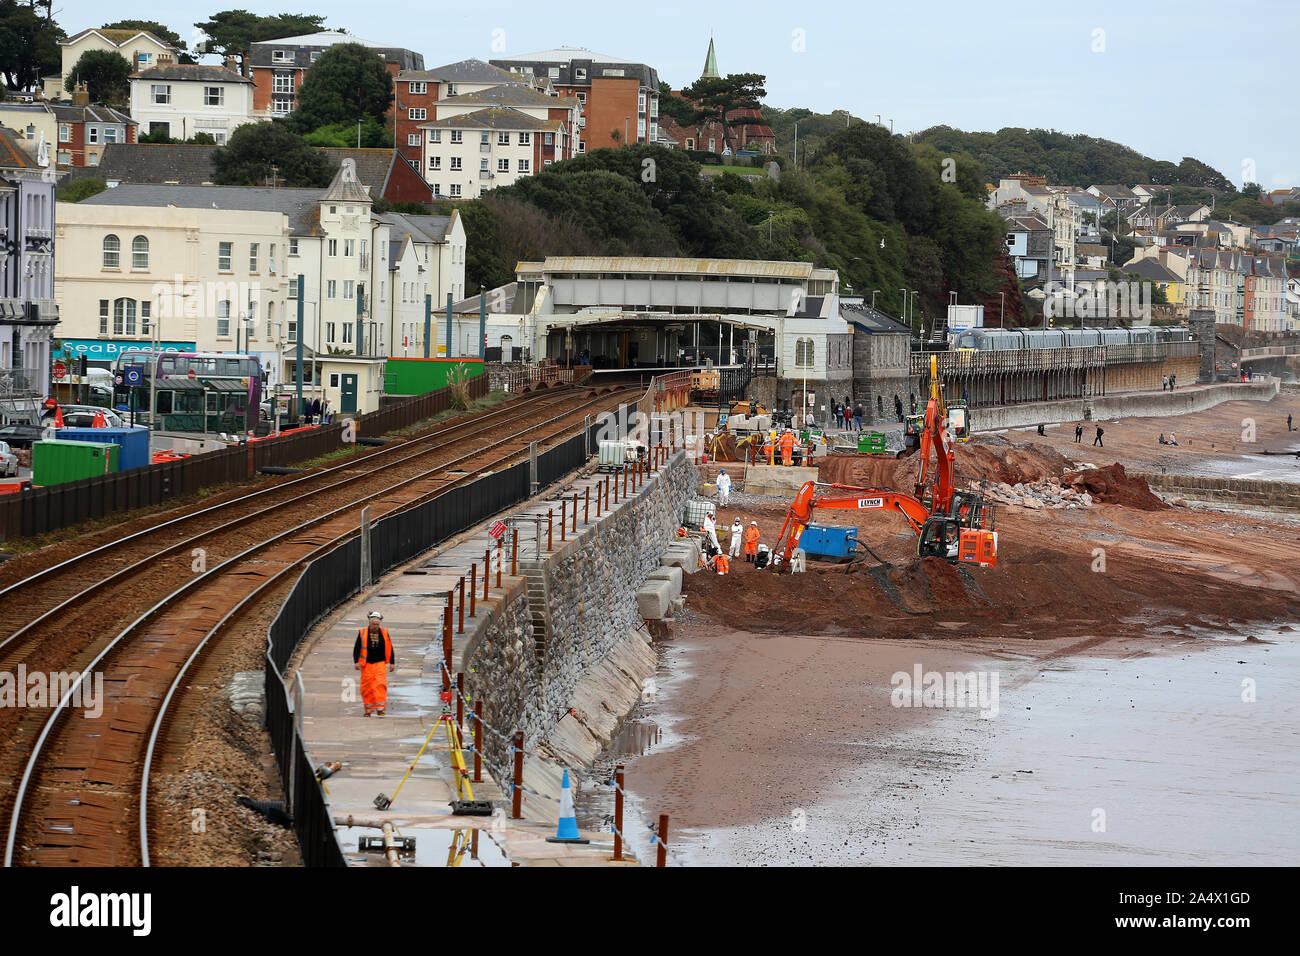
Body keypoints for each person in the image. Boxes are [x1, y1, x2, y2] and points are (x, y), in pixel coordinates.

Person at [353, 611, 395, 718]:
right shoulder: (362, 633)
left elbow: (390, 647)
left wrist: (392, 662)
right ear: (369, 623)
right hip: (366, 664)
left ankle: (380, 709)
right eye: (373, 624)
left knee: (380, 685)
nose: (375, 626)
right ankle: (368, 710)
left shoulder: (384, 632)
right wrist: (356, 661)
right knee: (366, 687)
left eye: (377, 624)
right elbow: (357, 648)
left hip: (380, 663)